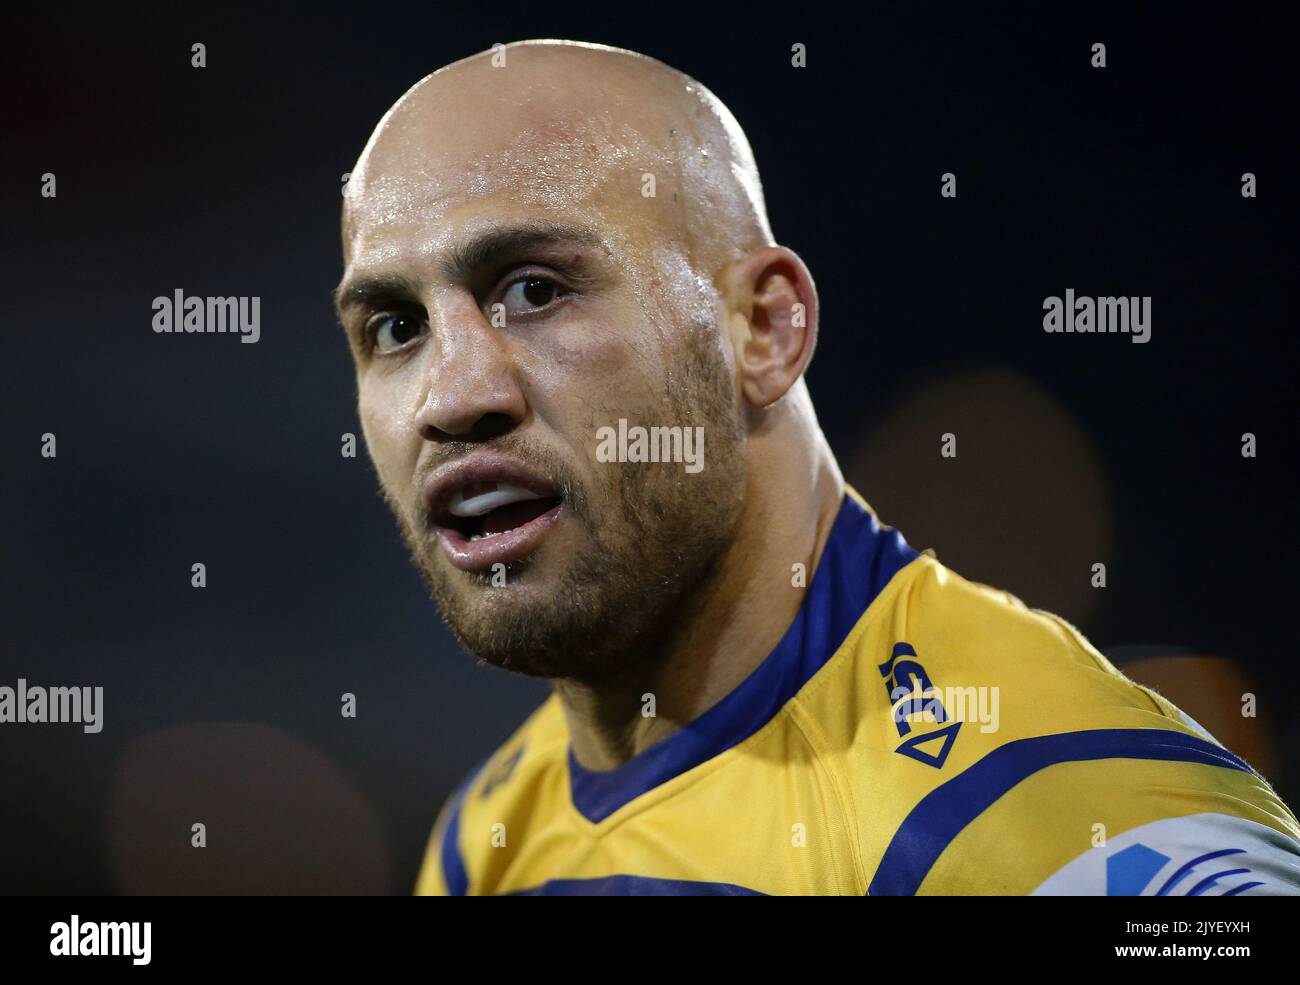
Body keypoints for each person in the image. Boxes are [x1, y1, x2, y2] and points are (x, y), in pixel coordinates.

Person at [334, 39, 1300, 895]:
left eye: (536, 290)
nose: (451, 397)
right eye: (395, 326)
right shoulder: (484, 844)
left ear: (762, 329)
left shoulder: (1057, 819)